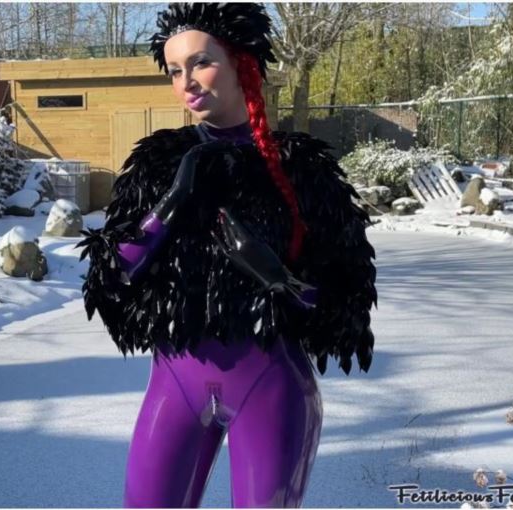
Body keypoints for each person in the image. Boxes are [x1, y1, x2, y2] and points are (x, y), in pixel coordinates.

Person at [75, 3, 378, 507]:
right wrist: (170, 206)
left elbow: (346, 298)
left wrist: (278, 277)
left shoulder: (301, 168)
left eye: (201, 62)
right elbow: (111, 274)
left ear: (242, 63)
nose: (187, 82)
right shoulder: (158, 161)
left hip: (271, 383)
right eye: (175, 70)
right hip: (175, 381)